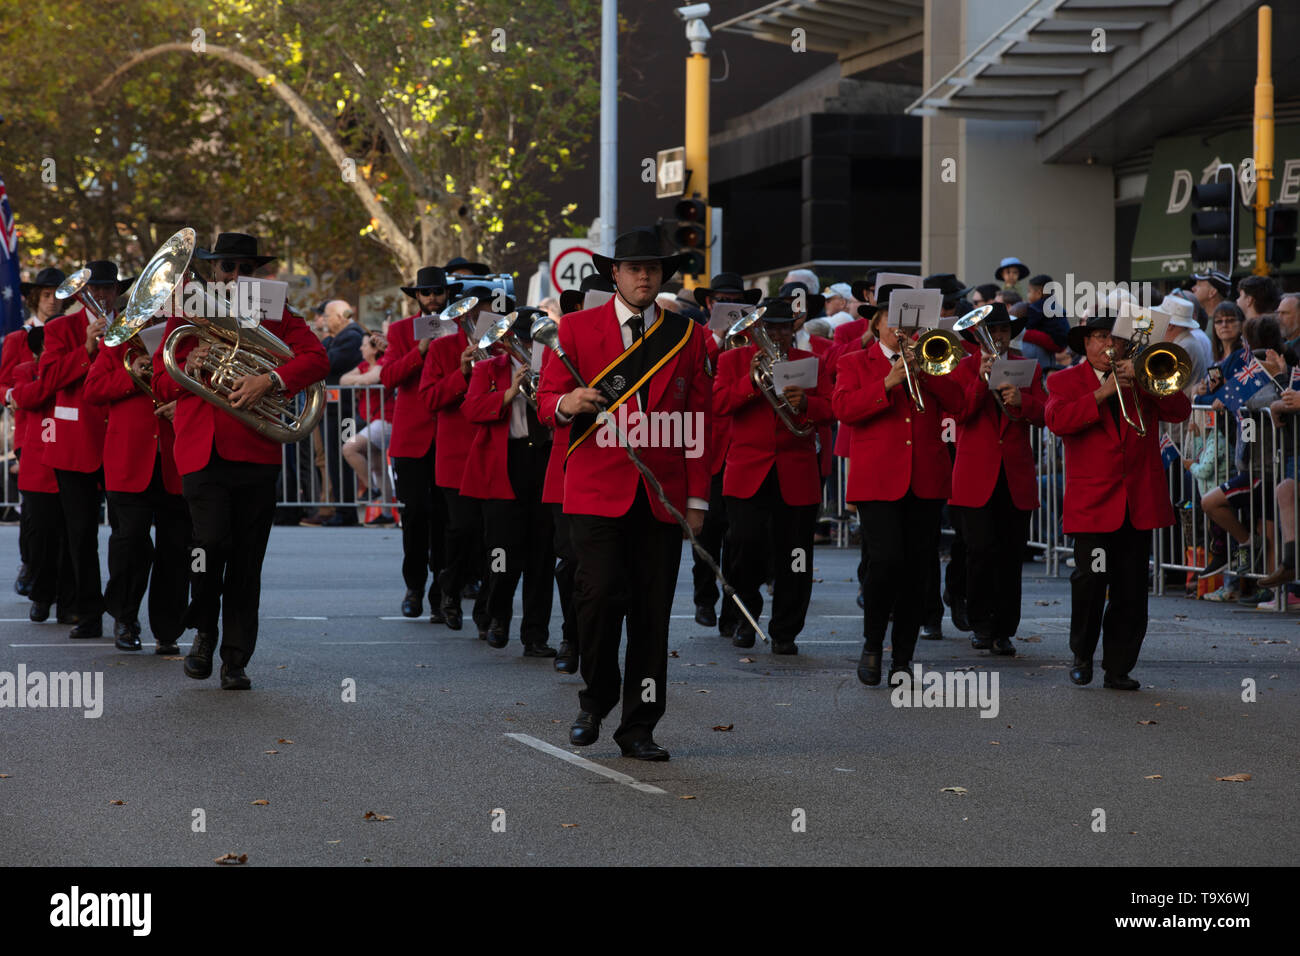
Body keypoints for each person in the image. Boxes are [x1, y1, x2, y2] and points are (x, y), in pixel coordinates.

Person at [537, 228, 712, 761]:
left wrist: (697, 501)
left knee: (652, 615)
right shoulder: (574, 329)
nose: (644, 277)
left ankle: (639, 726)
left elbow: (700, 421)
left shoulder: (689, 336)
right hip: (594, 489)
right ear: (614, 273)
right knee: (595, 598)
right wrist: (569, 402)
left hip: (661, 494)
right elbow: (546, 403)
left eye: (653, 269)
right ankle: (595, 699)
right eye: (634, 268)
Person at [153, 232, 329, 690]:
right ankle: (204, 631)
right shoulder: (186, 313)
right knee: (208, 546)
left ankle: (235, 659)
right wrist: (191, 365)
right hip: (201, 450)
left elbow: (317, 359)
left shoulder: (280, 315)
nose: (233, 275)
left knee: (248, 561)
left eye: (243, 269)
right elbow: (160, 378)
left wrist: (269, 380)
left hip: (255, 450)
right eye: (226, 267)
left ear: (258, 275)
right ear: (213, 271)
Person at [1043, 314, 1191, 690]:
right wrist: (1103, 393)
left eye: (1116, 338)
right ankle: (1081, 654)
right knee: (1091, 581)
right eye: (1099, 337)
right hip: (1093, 506)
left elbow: (1180, 411)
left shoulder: (1142, 376)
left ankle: (1118, 666)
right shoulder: (1063, 379)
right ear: (1086, 343)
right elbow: (1058, 420)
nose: (1108, 344)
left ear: (1127, 345)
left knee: (1130, 589)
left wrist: (1149, 381)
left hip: (1137, 502)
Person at [833, 292, 963, 686]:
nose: (903, 328)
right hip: (876, 480)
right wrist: (888, 382)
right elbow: (843, 409)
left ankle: (903, 657)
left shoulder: (934, 359)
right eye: (894, 319)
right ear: (877, 324)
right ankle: (873, 642)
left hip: (925, 478)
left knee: (917, 571)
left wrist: (926, 373)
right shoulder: (853, 361)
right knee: (886, 562)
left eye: (911, 321)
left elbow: (960, 402)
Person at [714, 298, 832, 654]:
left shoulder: (810, 363)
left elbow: (832, 408)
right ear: (757, 330)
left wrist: (806, 404)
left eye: (784, 327)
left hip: (796, 472)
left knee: (795, 556)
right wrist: (752, 382)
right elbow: (718, 405)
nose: (778, 334)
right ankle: (746, 620)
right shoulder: (732, 360)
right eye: (770, 328)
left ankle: (786, 631)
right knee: (744, 547)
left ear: (793, 328)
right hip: (748, 470)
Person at [83, 319, 190, 653]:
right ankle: (125, 618)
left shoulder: (185, 343)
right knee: (129, 545)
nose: (156, 317)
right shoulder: (118, 345)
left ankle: (168, 629)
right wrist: (132, 374)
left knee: (176, 549)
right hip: (129, 460)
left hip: (175, 460)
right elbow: (93, 389)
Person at [38, 260, 131, 638]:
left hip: (120, 441)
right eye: (95, 290)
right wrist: (88, 347)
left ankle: (123, 609)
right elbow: (48, 380)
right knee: (80, 534)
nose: (102, 296)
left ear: (116, 292)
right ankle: (88, 612)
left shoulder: (130, 325)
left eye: (108, 289)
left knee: (127, 535)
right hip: (77, 443)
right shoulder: (60, 328)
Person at [947, 303, 1046, 654]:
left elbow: (1044, 414)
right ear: (976, 335)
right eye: (992, 330)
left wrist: (1022, 401)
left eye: (1003, 330)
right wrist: (979, 379)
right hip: (975, 475)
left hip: (1014, 474)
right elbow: (959, 413)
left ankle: (1005, 630)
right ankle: (981, 625)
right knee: (980, 552)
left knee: (1009, 555)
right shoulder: (962, 368)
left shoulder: (1025, 367)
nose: (998, 336)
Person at [461, 308, 556, 656]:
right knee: (501, 551)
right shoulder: (489, 368)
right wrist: (509, 392)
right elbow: (471, 410)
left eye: (535, 338)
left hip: (543, 462)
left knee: (541, 554)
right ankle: (497, 617)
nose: (529, 344)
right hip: (506, 463)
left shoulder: (555, 368)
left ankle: (536, 635)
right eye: (523, 338)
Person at [419, 284, 508, 637]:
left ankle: (487, 608)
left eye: (488, 315)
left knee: (494, 538)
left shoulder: (506, 349)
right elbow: (429, 400)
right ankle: (449, 592)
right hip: (457, 457)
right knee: (461, 530)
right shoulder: (442, 347)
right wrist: (463, 373)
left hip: (493, 453)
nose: (481, 322)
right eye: (474, 316)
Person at [382, 266, 457, 621]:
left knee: (445, 517)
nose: (432, 300)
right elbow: (388, 377)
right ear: (416, 297)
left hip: (448, 437)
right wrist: (421, 351)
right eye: (425, 294)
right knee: (414, 516)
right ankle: (413, 586)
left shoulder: (461, 327)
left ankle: (442, 592)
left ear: (446, 294)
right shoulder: (400, 331)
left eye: (437, 293)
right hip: (411, 439)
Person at [688, 272, 759, 635]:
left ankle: (736, 611)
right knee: (708, 528)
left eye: (736, 300)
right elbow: (695, 372)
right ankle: (704, 597)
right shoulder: (697, 337)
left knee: (739, 536)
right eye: (721, 300)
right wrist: (720, 338)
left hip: (745, 447)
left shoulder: (755, 340)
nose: (728, 306)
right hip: (712, 446)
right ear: (708, 304)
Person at [5, 327, 76, 623]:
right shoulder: (25, 370)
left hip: (69, 457)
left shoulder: (69, 369)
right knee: (41, 535)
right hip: (37, 462)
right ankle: (41, 595)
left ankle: (66, 600)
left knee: (69, 537)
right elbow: (26, 397)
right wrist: (57, 375)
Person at [2, 267, 65, 594]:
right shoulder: (18, 339)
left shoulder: (69, 334)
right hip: (29, 432)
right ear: (33, 299)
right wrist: (13, 397)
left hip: (65, 429)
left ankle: (56, 573)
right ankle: (32, 562)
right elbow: (3, 385)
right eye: (46, 294)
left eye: (58, 294)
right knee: (34, 508)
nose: (53, 301)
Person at [317, 300, 367, 526]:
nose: (325, 321)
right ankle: (342, 508)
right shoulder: (343, 337)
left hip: (344, 410)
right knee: (334, 459)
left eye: (328, 316)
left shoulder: (351, 337)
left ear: (340, 316)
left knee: (341, 460)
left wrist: (326, 342)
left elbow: (326, 363)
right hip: (334, 409)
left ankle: (346, 510)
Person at [339, 328, 395, 522]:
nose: (360, 348)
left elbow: (375, 378)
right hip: (375, 419)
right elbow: (343, 379)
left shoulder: (383, 361)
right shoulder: (364, 365)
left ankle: (371, 490)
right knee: (378, 467)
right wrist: (362, 380)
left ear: (373, 348)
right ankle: (387, 513)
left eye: (364, 345)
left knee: (349, 448)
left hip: (386, 419)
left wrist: (361, 381)